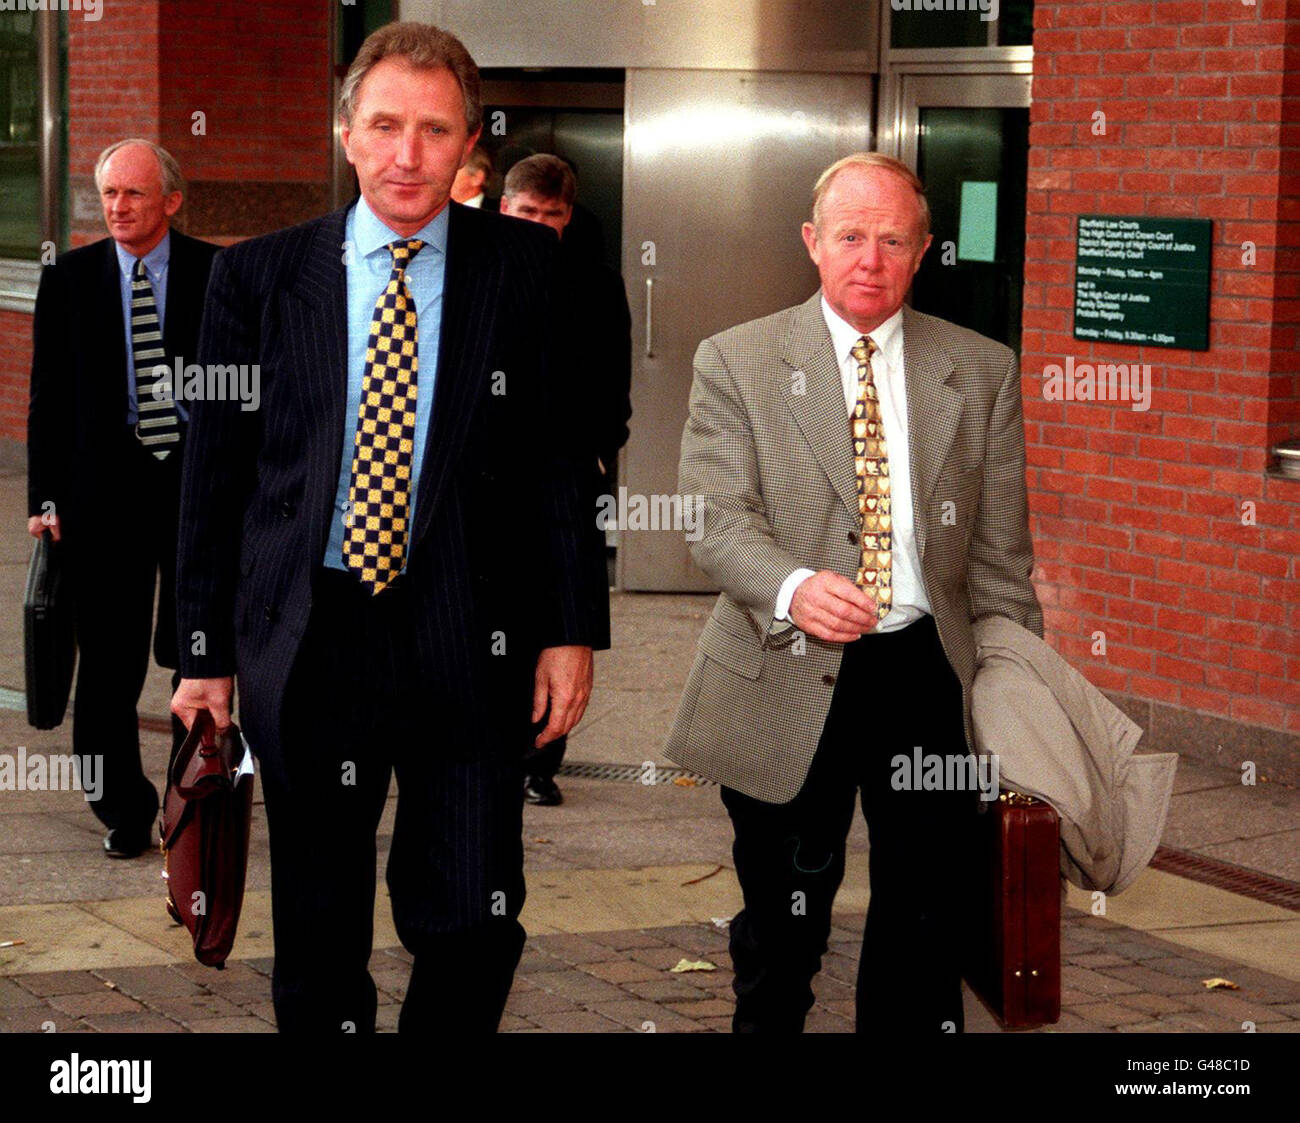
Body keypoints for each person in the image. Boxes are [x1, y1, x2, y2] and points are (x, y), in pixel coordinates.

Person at [170, 21, 608, 1033]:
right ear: (346, 133)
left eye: (434, 129)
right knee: (319, 932)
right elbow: (211, 477)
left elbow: (560, 464)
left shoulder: (529, 272)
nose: (407, 153)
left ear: (468, 146)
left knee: (470, 919)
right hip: (312, 636)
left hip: (472, 637)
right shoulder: (257, 280)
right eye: (385, 125)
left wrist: (570, 627)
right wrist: (203, 655)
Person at [665, 152, 1042, 1033]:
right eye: (848, 236)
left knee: (925, 922)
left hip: (926, 676)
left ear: (923, 251)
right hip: (785, 666)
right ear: (812, 242)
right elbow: (715, 518)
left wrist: (1013, 695)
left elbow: (1000, 559)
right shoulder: (738, 358)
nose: (868, 258)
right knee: (783, 927)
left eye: (892, 239)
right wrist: (792, 586)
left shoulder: (981, 369)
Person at [27, 139, 217, 859]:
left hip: (192, 488)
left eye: (134, 194)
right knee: (108, 664)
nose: (118, 207)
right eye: (109, 194)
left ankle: (190, 801)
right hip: (99, 496)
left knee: (196, 651)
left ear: (170, 199)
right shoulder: (70, 280)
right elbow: (46, 400)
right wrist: (45, 497)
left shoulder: (215, 272)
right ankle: (121, 808)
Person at [499, 153, 631, 806]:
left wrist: (600, 455)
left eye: (551, 216)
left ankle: (541, 759)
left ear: (568, 216)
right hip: (490, 480)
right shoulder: (474, 276)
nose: (539, 226)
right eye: (527, 213)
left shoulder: (598, 286)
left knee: (561, 617)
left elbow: (616, 388)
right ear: (505, 207)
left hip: (570, 479)